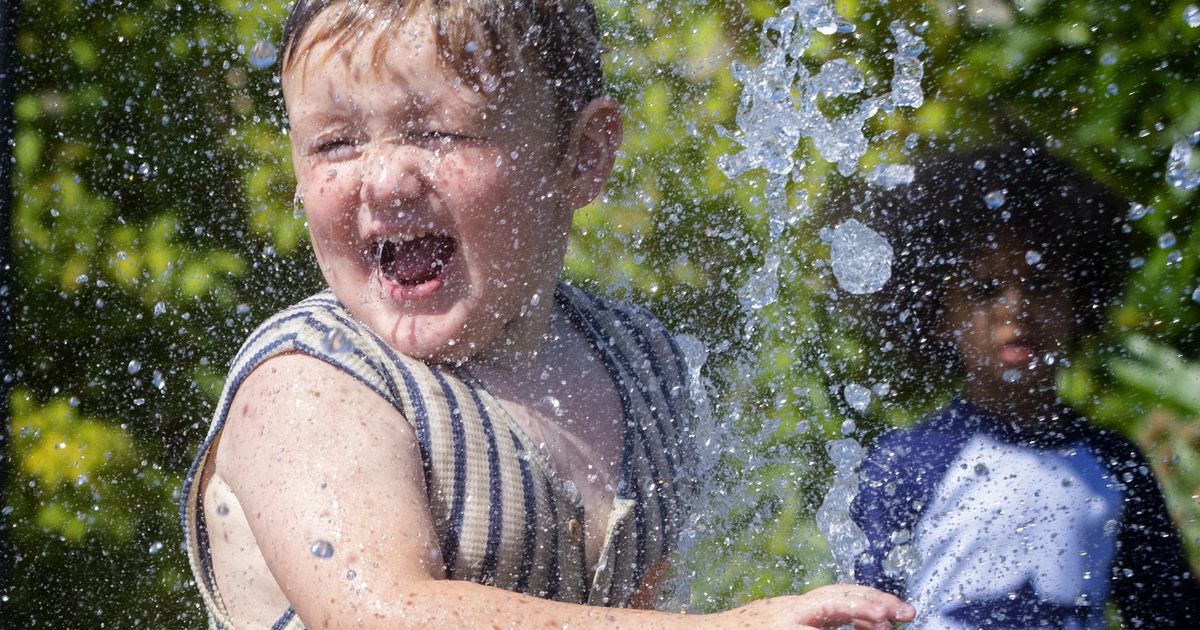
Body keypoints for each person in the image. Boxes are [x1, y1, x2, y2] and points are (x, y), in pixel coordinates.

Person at [180, 1, 917, 628]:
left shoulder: (644, 366)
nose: (385, 178)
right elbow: (381, 613)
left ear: (583, 157)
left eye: (438, 133)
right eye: (334, 143)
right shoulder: (309, 387)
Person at [849, 143, 1200, 628]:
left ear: (1080, 303)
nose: (1015, 308)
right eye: (985, 289)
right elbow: (865, 611)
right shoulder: (908, 460)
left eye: (1040, 284)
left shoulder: (1115, 466)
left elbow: (1170, 614)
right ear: (937, 312)